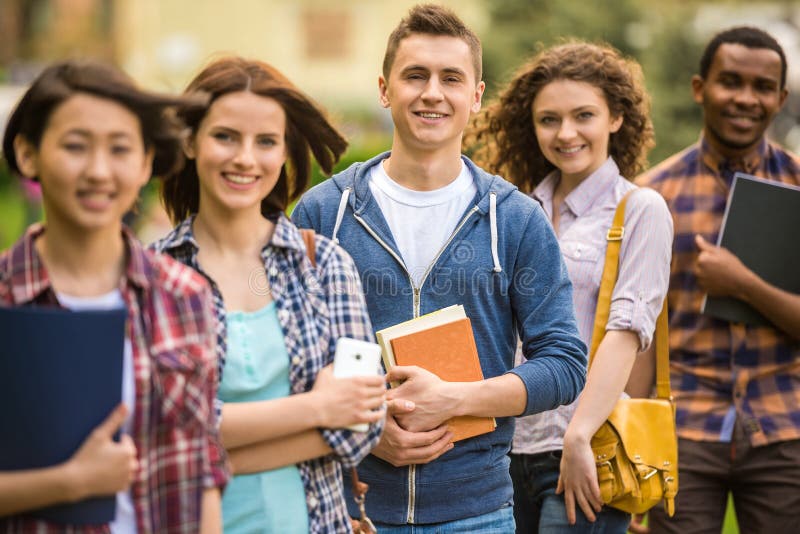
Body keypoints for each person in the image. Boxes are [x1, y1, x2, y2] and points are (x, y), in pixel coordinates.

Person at [292, 4, 587, 532]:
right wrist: (365, 425)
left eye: (451, 78)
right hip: (348, 509)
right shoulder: (322, 213)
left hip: (477, 514)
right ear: (385, 89)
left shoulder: (516, 219)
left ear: (475, 96)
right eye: (415, 75)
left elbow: (564, 363)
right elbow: (288, 353)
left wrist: (455, 399)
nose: (432, 92)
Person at [153, 56, 386, 534]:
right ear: (192, 142)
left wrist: (209, 449)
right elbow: (159, 430)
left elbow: (362, 423)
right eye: (225, 136)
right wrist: (315, 410)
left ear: (283, 154)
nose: (245, 158)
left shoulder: (323, 265)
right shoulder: (154, 276)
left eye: (265, 142)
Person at [0, 60, 228, 532]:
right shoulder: (5, 297)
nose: (99, 171)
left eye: (120, 149)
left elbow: (204, 465)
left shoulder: (185, 294)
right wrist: (69, 483)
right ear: (27, 154)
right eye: (75, 146)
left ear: (145, 162)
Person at [466, 41, 673, 533]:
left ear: (616, 118)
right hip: (505, 446)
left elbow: (627, 333)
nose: (566, 133)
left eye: (584, 115)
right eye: (549, 120)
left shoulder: (640, 210)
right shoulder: (516, 210)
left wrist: (581, 435)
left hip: (586, 446)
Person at [636, 26, 800, 533]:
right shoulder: (651, 196)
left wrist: (742, 283)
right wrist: (633, 453)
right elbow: (639, 333)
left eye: (762, 87)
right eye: (730, 82)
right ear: (699, 88)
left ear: (780, 98)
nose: (745, 98)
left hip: (785, 427)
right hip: (683, 429)